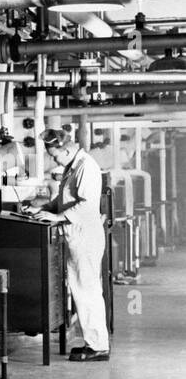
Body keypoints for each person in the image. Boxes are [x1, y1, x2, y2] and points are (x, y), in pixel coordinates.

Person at [32, 127, 110, 362]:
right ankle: (94, 343)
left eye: (55, 155)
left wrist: (56, 217)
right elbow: (65, 198)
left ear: (66, 149)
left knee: (87, 291)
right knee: (83, 288)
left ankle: (97, 346)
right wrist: (44, 208)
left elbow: (86, 205)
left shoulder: (86, 166)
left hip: (85, 236)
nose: (54, 160)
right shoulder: (73, 166)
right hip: (78, 235)